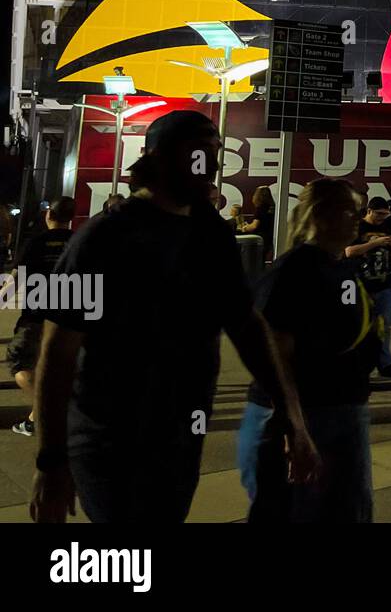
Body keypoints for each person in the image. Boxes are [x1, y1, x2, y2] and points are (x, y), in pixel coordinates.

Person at [29, 109, 318, 523]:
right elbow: (56, 353)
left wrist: (292, 417)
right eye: (199, 153)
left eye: (216, 153)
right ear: (159, 159)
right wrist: (51, 463)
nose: (213, 166)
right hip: (108, 440)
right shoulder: (98, 239)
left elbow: (247, 327)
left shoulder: (214, 235)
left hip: (182, 435)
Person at [238, 179, 382, 522]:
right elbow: (276, 359)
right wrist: (295, 428)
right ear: (323, 215)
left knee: (348, 512)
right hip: (308, 417)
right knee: (298, 512)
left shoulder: (339, 265)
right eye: (352, 211)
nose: (359, 220)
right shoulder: (293, 271)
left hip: (344, 411)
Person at [8, 197, 75, 436]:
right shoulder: (79, 242)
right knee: (60, 368)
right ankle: (38, 416)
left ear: (49, 215)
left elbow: (15, 279)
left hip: (37, 316)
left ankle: (45, 413)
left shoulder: (36, 242)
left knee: (21, 364)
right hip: (71, 319)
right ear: (70, 219)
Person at [346, 197, 391, 378]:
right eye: (379, 214)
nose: (382, 218)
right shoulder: (357, 227)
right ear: (369, 211)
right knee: (359, 325)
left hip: (384, 283)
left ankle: (385, 364)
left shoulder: (387, 226)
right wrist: (375, 243)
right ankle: (358, 364)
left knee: (384, 325)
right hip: (361, 284)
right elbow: (348, 251)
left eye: (385, 214)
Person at [239, 186, 276, 260]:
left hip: (258, 241)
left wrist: (245, 228)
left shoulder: (260, 209)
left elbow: (254, 226)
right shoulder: (273, 208)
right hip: (269, 239)